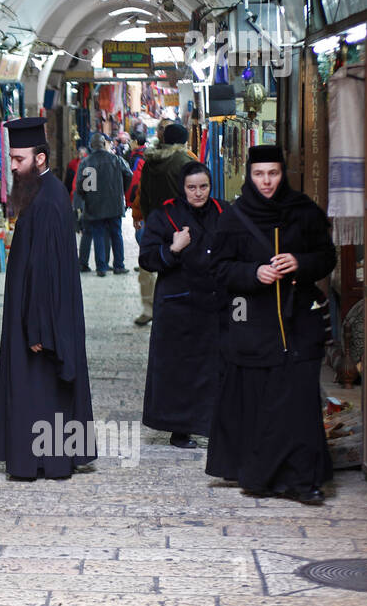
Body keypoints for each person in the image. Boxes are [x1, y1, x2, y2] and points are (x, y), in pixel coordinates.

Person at [206, 145, 336, 504]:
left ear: (283, 173)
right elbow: (218, 269)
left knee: (298, 403)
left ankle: (302, 480)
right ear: (249, 174)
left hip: (299, 324)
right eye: (260, 174)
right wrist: (254, 272)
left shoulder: (304, 212)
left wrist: (299, 261)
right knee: (263, 404)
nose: (266, 182)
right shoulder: (234, 218)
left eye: (274, 174)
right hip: (254, 327)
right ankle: (261, 476)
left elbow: (327, 257)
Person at [0, 118, 96, 480]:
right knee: (37, 391)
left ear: (39, 159)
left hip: (39, 322)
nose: (14, 166)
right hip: (34, 318)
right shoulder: (43, 192)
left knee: (39, 389)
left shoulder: (49, 201)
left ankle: (43, 461)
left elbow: (47, 273)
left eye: (19, 159)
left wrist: (38, 329)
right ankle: (42, 458)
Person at [139, 162, 228, 448]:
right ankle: (179, 429)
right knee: (178, 369)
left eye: (203, 186)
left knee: (213, 367)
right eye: (192, 187)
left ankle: (214, 425)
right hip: (178, 307)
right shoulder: (164, 215)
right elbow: (147, 259)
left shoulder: (224, 212)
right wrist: (173, 249)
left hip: (214, 304)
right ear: (182, 188)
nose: (198, 193)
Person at [136, 123, 195, 322]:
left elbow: (143, 196)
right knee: (179, 269)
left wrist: (148, 219)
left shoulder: (150, 161)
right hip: (179, 226)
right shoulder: (185, 161)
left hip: (154, 222)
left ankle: (148, 309)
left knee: (148, 269)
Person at [75, 133, 132, 277]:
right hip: (114, 203)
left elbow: (80, 185)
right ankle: (119, 265)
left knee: (98, 234)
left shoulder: (86, 162)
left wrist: (86, 197)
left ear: (91, 146)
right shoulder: (116, 159)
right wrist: (121, 190)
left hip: (94, 204)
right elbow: (129, 175)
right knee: (116, 234)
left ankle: (101, 267)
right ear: (104, 144)